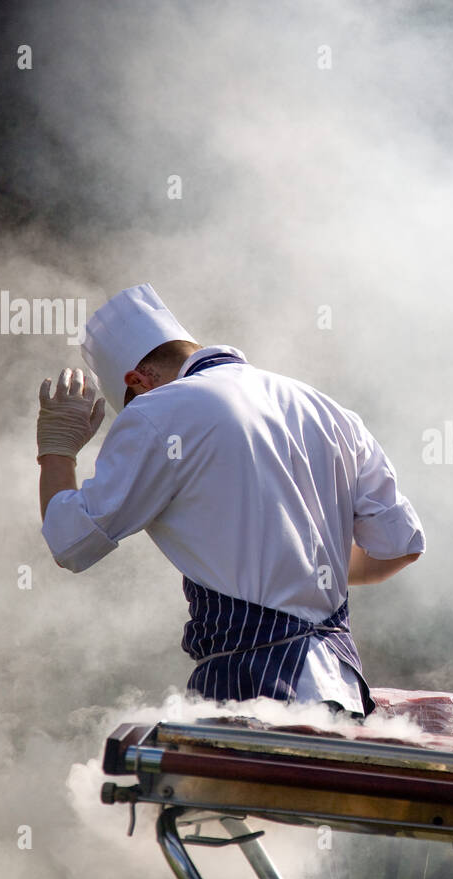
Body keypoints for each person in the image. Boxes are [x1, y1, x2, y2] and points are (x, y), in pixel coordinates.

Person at [35, 283, 424, 719]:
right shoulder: (329, 410)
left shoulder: (158, 409)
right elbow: (400, 546)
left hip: (255, 687)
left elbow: (70, 542)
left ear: (138, 382)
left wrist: (57, 450)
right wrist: (304, 570)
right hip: (343, 686)